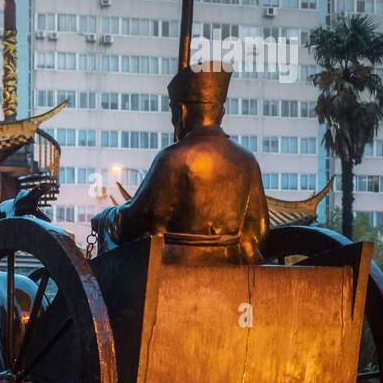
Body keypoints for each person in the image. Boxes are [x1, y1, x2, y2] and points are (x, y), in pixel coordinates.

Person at [90, 62, 267, 265]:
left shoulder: (171, 159)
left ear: (180, 112)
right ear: (221, 113)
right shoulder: (247, 161)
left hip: (171, 272)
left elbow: (137, 224)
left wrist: (107, 216)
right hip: (232, 271)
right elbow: (258, 230)